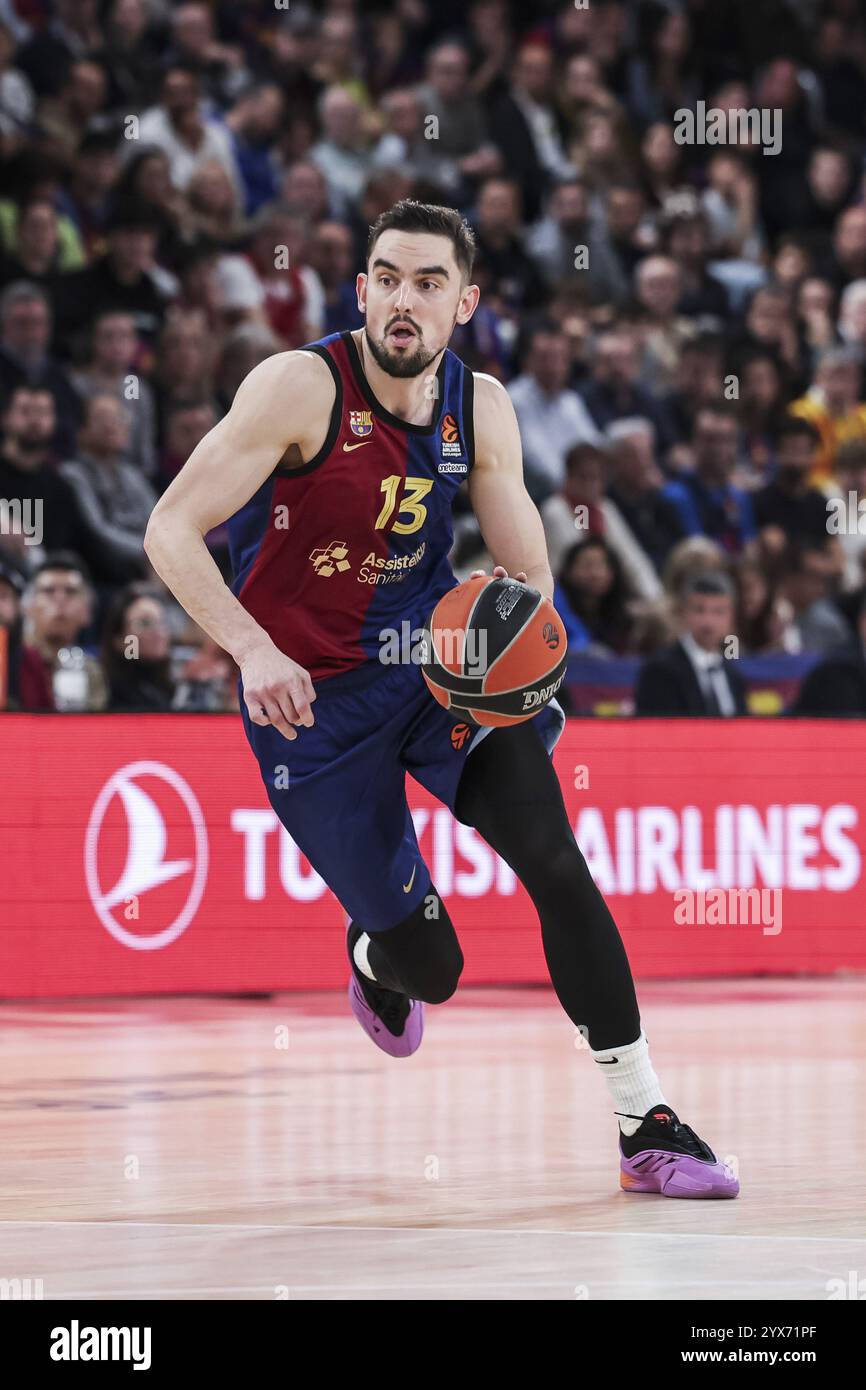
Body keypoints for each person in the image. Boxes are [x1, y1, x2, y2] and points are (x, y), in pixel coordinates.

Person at [145, 197, 737, 1199]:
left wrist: (520, 658)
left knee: (554, 860)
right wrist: (248, 651)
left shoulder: (483, 406)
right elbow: (168, 529)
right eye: (385, 276)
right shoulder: (299, 389)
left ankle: (646, 1120)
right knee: (433, 968)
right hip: (309, 706)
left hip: (430, 670)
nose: (402, 299)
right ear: (361, 288)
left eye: (427, 282)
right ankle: (378, 951)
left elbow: (530, 574)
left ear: (463, 303)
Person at [634, 572, 748, 716]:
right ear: (684, 613)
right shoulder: (660, 671)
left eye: (718, 612)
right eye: (699, 610)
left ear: (731, 617)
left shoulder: (734, 677)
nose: (708, 621)